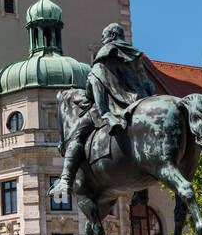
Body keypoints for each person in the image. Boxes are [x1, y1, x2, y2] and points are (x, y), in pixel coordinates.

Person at [50, 22, 155, 201]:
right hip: (138, 105)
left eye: (104, 36)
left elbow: (95, 86)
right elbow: (149, 85)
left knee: (77, 136)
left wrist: (99, 105)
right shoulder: (134, 57)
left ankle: (66, 179)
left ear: (112, 36)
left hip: (110, 108)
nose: (103, 40)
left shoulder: (104, 56)